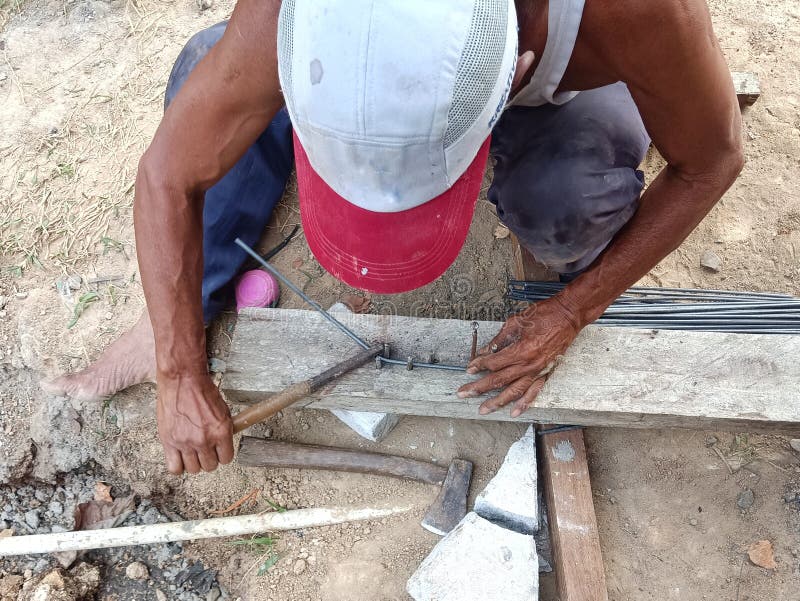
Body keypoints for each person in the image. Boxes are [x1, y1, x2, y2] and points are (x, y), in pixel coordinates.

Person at [47, 0, 743, 475]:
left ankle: (562, 170)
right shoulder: (288, 15)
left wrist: (572, 311)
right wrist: (178, 367)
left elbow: (712, 160)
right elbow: (168, 173)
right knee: (207, 65)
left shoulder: (636, 13)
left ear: (516, 70)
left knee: (568, 204)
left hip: (570, 84)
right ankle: (180, 308)